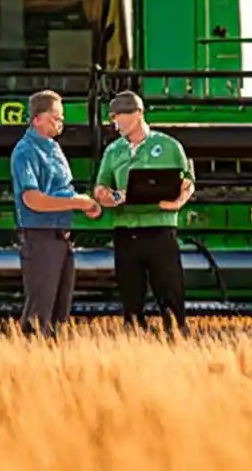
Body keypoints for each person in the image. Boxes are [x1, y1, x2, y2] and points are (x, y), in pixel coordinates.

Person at [93, 90, 194, 335]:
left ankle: (177, 332)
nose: (115, 123)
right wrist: (108, 196)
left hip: (160, 227)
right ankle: (134, 333)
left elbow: (187, 181)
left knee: (169, 288)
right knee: (131, 291)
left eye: (118, 117)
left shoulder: (169, 146)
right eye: (113, 118)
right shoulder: (113, 151)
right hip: (126, 229)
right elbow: (100, 186)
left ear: (137, 114)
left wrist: (178, 202)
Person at [10, 89, 101, 337]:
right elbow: (33, 199)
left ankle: (52, 360)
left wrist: (83, 203)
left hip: (60, 236)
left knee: (60, 311)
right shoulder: (25, 151)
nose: (60, 123)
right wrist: (78, 203)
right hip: (41, 236)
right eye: (55, 118)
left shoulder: (53, 148)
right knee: (40, 309)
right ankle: (32, 359)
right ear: (37, 118)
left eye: (61, 118)